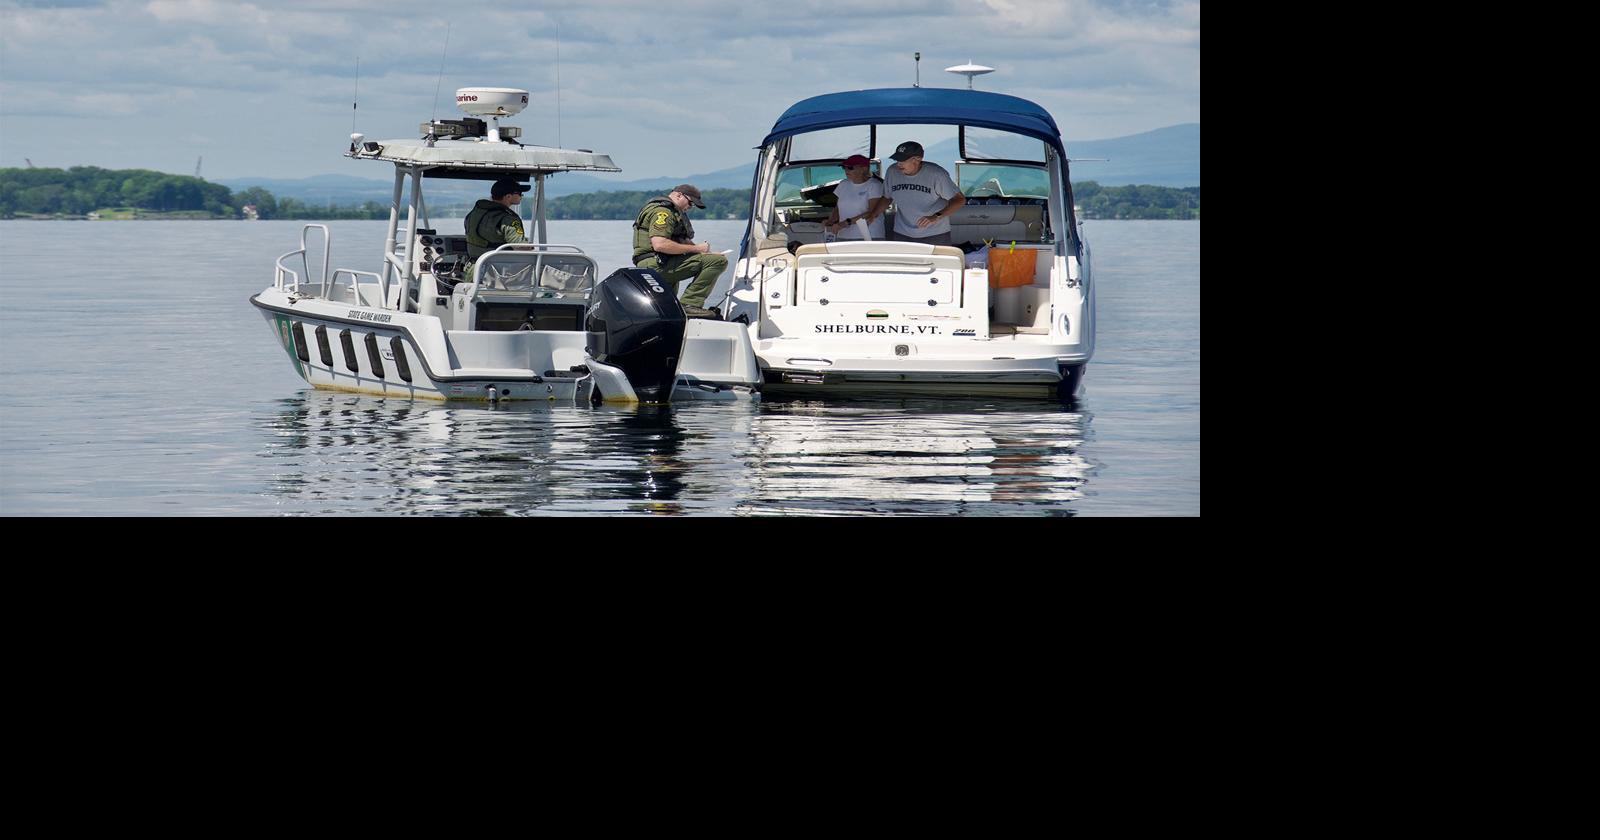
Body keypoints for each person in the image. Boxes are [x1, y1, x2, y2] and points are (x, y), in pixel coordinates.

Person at [631, 184, 725, 315]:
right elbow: (660, 244)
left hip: (661, 263)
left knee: (667, 310)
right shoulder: (663, 212)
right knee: (717, 262)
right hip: (655, 264)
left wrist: (705, 252)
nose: (690, 207)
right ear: (679, 195)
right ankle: (690, 304)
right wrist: (698, 249)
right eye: (690, 203)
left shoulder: (673, 212)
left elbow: (681, 241)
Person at [882, 141, 966, 246]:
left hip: (935, 235)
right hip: (902, 234)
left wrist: (936, 216)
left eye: (903, 160)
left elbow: (959, 200)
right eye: (897, 159)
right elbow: (886, 198)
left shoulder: (937, 174)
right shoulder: (892, 172)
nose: (899, 164)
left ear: (917, 160)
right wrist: (872, 215)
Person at [464, 178, 528, 281]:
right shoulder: (508, 219)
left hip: (473, 270)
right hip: (497, 274)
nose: (522, 196)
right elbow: (520, 246)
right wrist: (529, 246)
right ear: (508, 196)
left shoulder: (473, 214)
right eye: (520, 193)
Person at [824, 155, 889, 240]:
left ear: (864, 168)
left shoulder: (874, 185)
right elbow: (838, 208)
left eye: (850, 168)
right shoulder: (843, 184)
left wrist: (845, 223)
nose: (846, 170)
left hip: (869, 235)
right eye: (844, 167)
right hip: (844, 235)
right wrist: (830, 221)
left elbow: (872, 212)